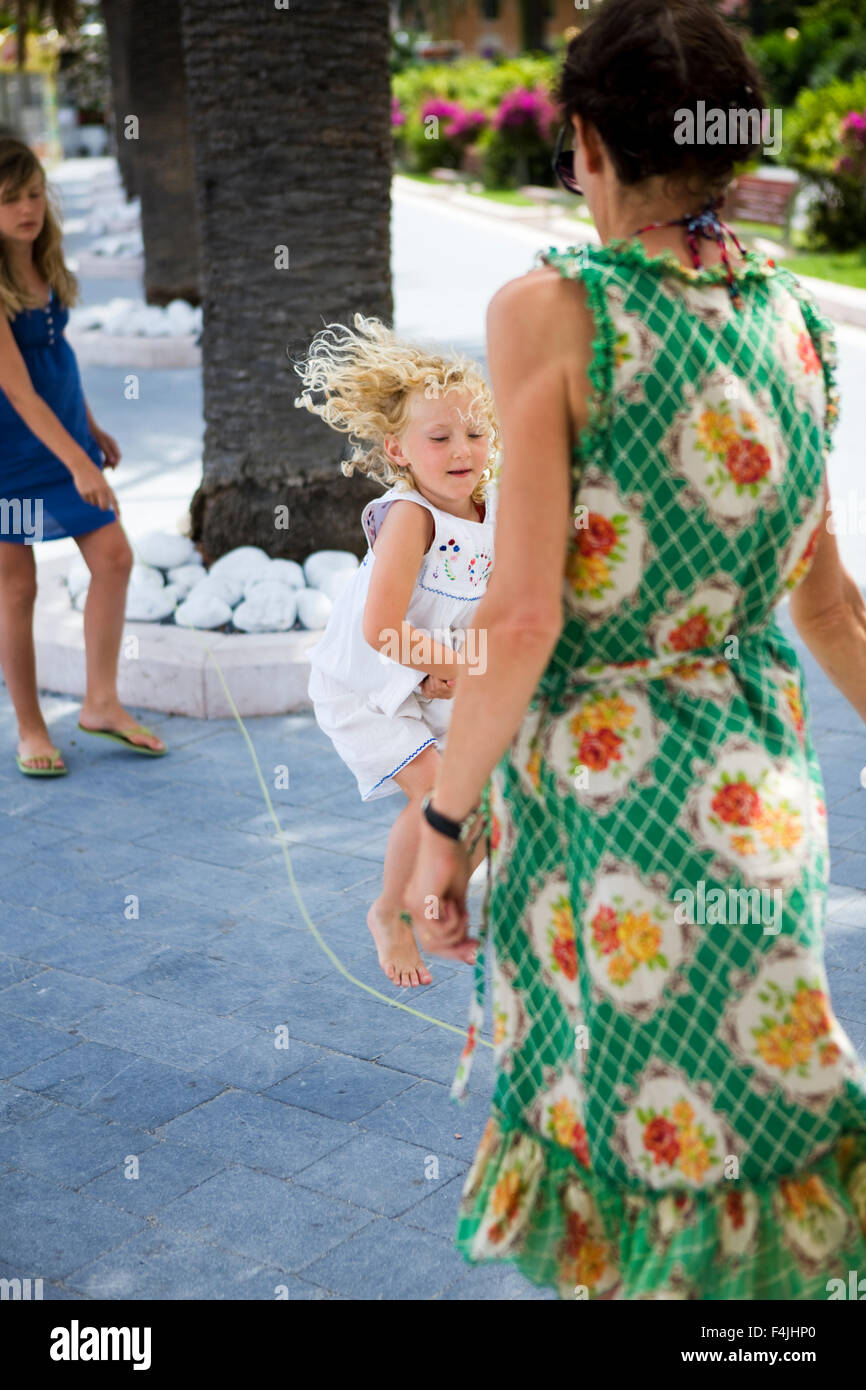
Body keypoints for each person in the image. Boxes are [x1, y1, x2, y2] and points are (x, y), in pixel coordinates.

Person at [406, 0, 866, 1300]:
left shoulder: (549, 313)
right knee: (751, 1159)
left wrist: (444, 821)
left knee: (632, 1163)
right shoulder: (794, 328)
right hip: (760, 818)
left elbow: (522, 618)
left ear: (588, 147)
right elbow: (830, 611)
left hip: (615, 838)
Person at [295, 314, 497, 988]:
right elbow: (381, 628)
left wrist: (451, 666)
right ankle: (392, 914)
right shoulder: (411, 516)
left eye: (474, 431)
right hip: (363, 686)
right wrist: (450, 665)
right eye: (438, 437)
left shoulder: (490, 508)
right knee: (439, 795)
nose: (460, 448)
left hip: (423, 675)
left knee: (479, 801)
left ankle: (437, 908)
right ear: (400, 450)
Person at [0, 137, 165, 773]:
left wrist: (89, 428)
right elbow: (16, 390)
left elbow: (55, 361)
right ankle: (31, 727)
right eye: (9, 199)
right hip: (12, 462)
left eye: (34, 194)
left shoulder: (45, 262)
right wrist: (78, 462)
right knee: (16, 587)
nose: (26, 209)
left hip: (65, 438)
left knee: (115, 557)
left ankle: (100, 702)